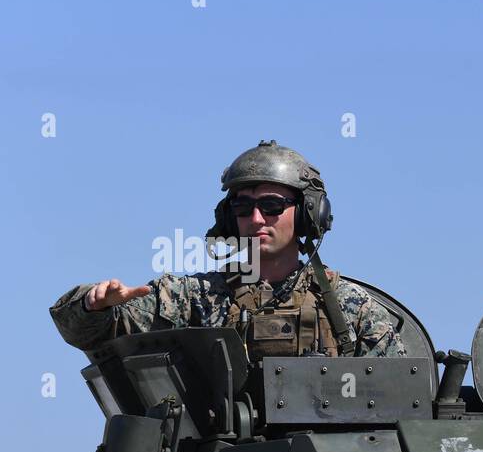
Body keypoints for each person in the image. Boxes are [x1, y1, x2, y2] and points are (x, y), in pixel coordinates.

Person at [49, 140, 405, 360]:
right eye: (241, 207)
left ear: (310, 214)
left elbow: (403, 402)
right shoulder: (195, 299)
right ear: (227, 217)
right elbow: (89, 334)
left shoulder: (350, 309)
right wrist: (92, 306)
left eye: (272, 205)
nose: (255, 218)